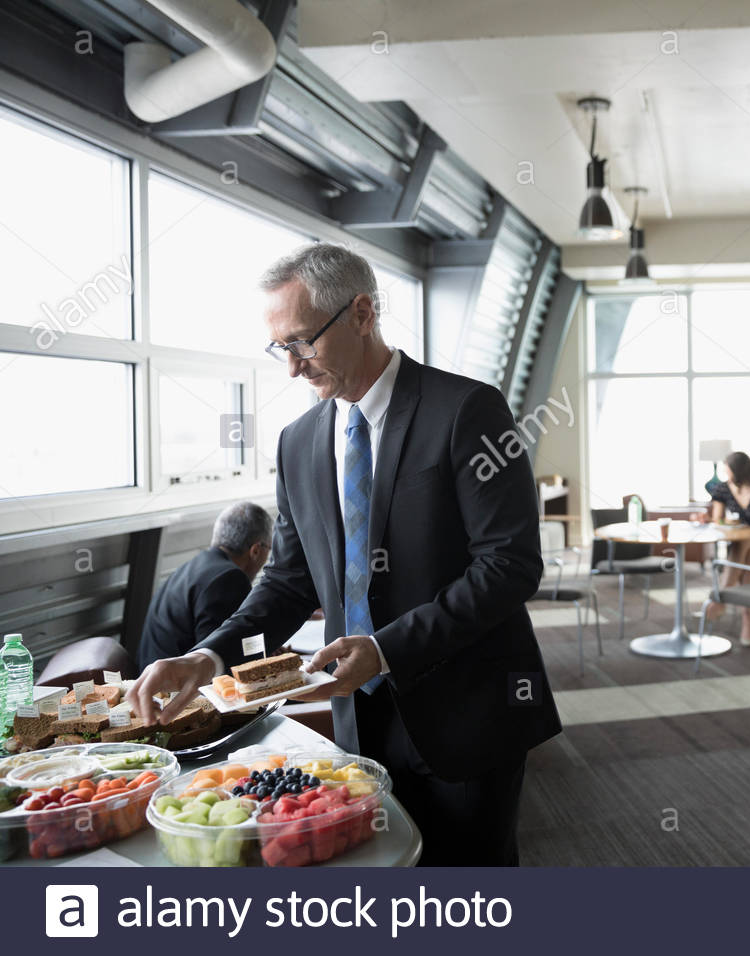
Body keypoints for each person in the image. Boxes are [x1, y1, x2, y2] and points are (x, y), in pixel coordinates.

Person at [128, 243, 561, 866]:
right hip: (355, 717)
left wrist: (385, 650)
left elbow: (510, 566)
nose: (293, 368)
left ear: (362, 314)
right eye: (281, 348)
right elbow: (287, 583)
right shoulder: (299, 442)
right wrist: (207, 656)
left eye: (303, 342)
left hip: (464, 713)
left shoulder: (469, 409)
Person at [135, 502, 272, 671]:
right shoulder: (229, 579)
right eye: (269, 548)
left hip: (152, 680)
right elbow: (227, 655)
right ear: (256, 550)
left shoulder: (188, 569)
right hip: (177, 690)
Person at [693, 451, 750, 646]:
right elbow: (718, 519)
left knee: (749, 546)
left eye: (729, 472)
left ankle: (722, 596)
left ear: (740, 471)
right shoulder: (722, 489)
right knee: (748, 554)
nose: (728, 476)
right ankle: (748, 621)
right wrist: (708, 519)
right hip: (739, 546)